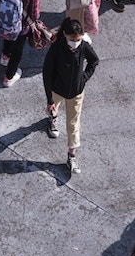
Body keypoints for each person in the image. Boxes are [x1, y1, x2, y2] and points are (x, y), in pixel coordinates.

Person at [42, 18, 99, 174]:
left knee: (73, 124)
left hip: (76, 93)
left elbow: (94, 61)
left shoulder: (83, 47)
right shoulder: (56, 49)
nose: (75, 43)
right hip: (58, 90)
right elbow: (47, 73)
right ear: (65, 34)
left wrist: (84, 77)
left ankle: (71, 156)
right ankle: (52, 118)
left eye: (78, 39)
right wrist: (49, 99)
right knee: (53, 108)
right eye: (72, 39)